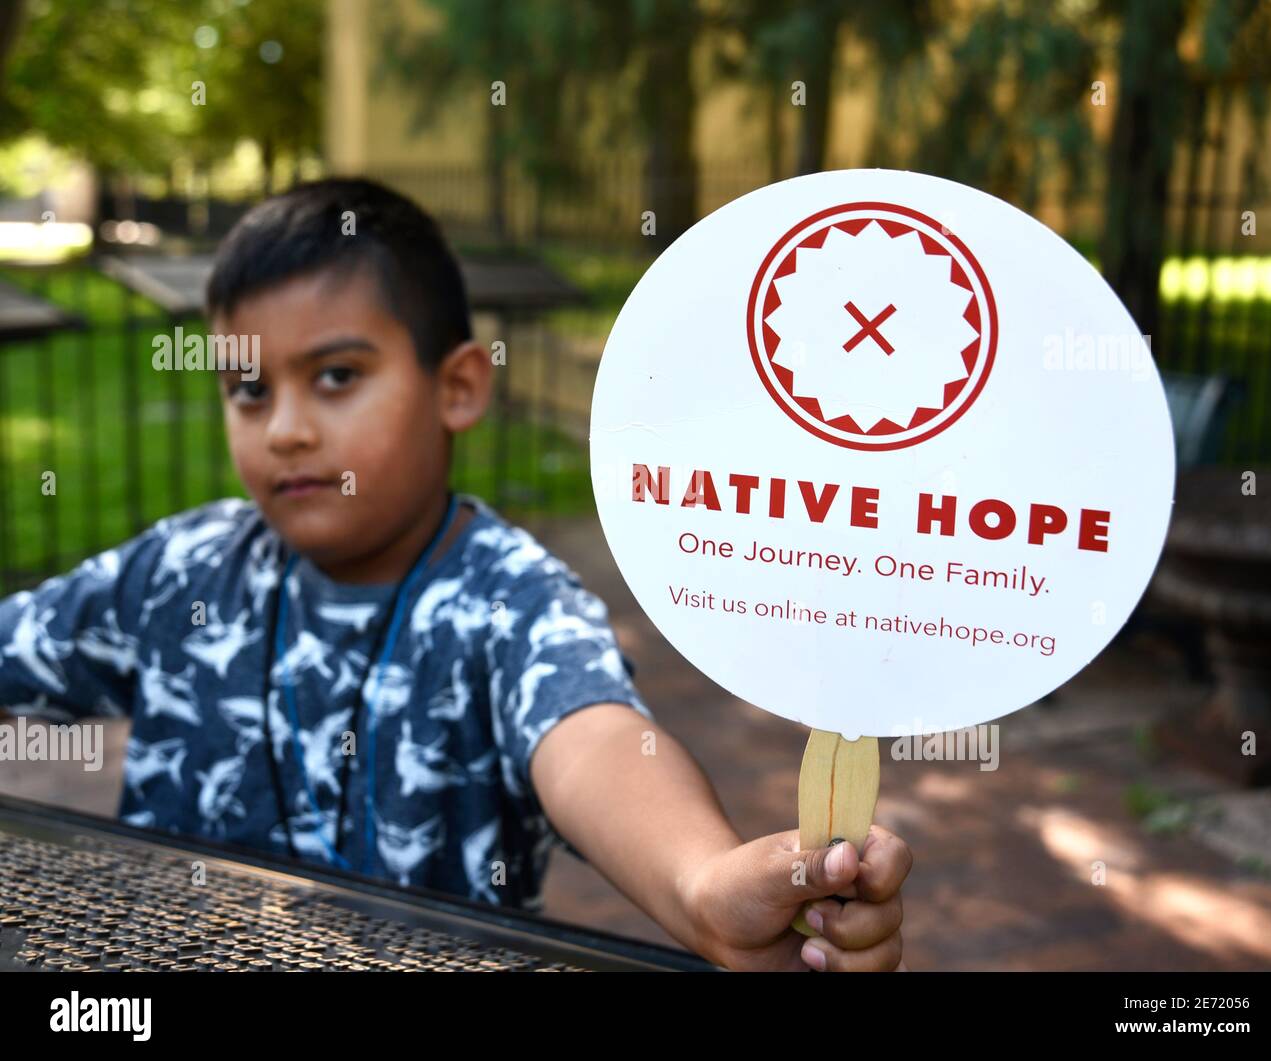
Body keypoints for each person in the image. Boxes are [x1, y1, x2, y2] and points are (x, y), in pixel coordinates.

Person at [0, 178, 910, 971]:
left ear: (460, 387)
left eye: (337, 376)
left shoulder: (510, 604)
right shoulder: (178, 571)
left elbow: (593, 743)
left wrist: (703, 884)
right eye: (249, 389)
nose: (284, 429)